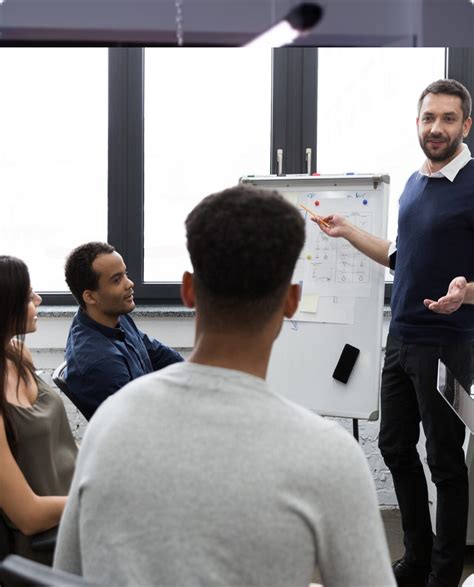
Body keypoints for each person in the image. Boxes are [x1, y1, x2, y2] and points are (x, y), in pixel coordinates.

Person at [54, 185, 395, 586]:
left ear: (188, 290)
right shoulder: (331, 456)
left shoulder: (108, 425)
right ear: (291, 301)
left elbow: (66, 574)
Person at [311, 79, 474, 587]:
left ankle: (444, 574)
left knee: (444, 462)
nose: (436, 127)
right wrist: (346, 230)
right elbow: (400, 256)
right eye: (429, 118)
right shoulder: (414, 184)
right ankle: (416, 559)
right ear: (417, 123)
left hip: (448, 344)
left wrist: (465, 293)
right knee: (395, 447)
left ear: (466, 125)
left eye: (448, 118)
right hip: (401, 339)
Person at [0, 256, 77, 565]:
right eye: (28, 295)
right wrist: (97, 500)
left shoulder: (18, 353)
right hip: (52, 539)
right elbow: (28, 515)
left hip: (79, 504)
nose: (38, 299)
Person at [64, 242, 183, 420]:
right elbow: (141, 421)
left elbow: (159, 354)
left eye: (125, 274)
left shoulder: (113, 316)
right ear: (90, 297)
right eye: (117, 280)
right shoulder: (101, 363)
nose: (130, 283)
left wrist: (195, 377)